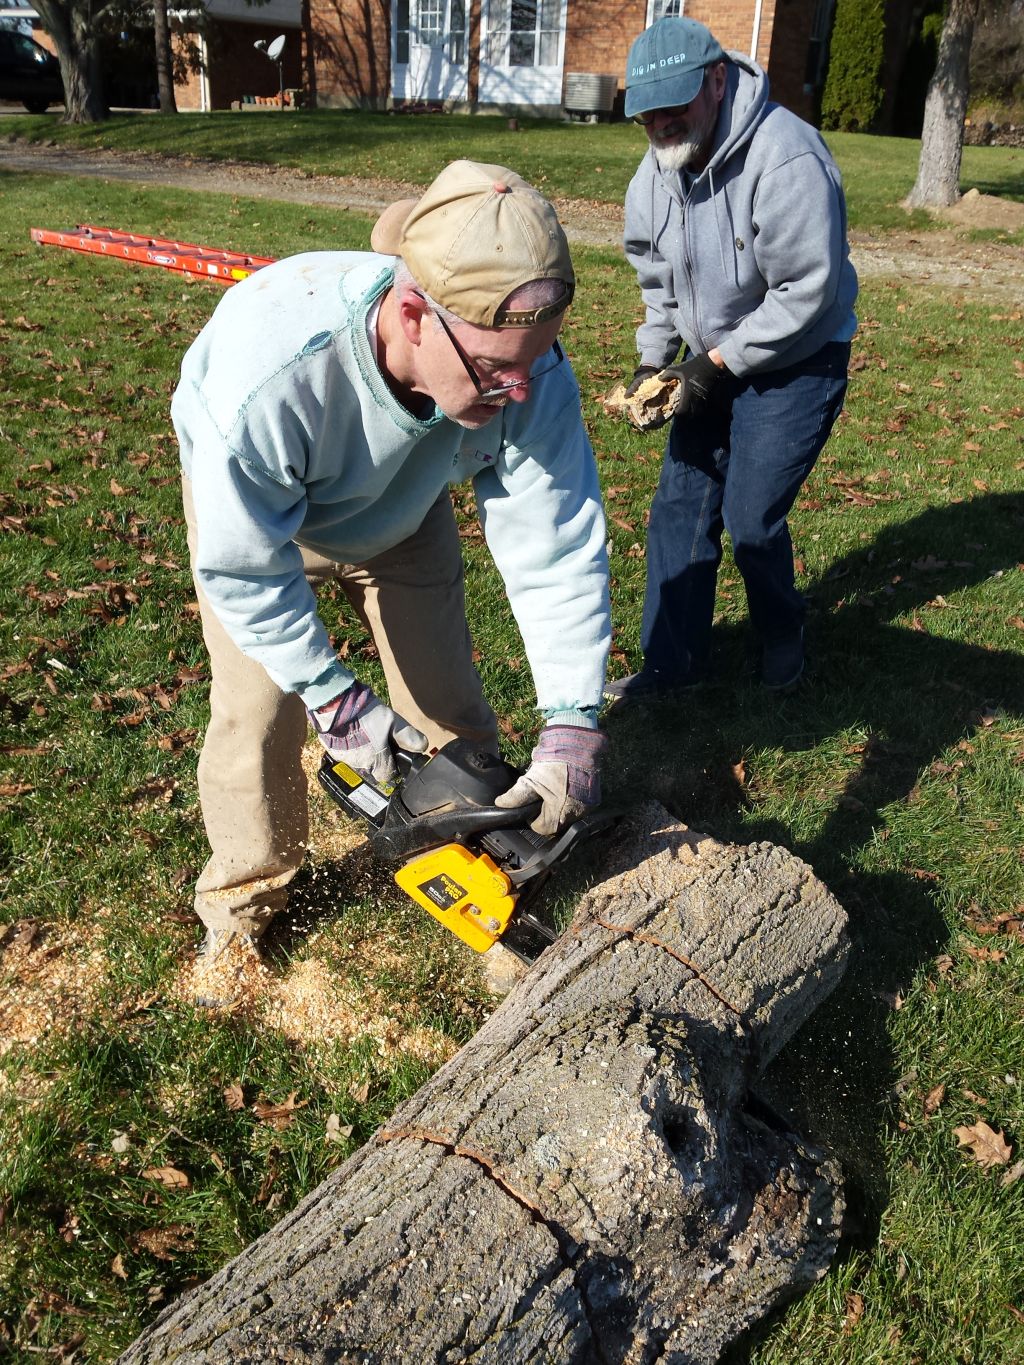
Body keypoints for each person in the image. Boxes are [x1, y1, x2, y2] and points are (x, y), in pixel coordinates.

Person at [172, 159, 611, 986]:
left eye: (532, 363)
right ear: (413, 313)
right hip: (267, 529)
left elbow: (554, 538)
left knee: (445, 700)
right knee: (259, 715)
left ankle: (491, 893)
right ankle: (240, 915)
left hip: (403, 515)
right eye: (491, 370)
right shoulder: (268, 379)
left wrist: (572, 720)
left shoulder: (525, 372)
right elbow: (243, 568)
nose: (518, 390)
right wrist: (334, 700)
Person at [604, 17, 858, 703]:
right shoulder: (654, 175)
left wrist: (715, 362)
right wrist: (653, 364)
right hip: (708, 358)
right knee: (680, 507)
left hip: (799, 360)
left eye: (674, 104)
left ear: (717, 82)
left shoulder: (787, 158)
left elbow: (808, 290)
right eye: (646, 112)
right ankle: (672, 664)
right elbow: (658, 281)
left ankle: (781, 631)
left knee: (750, 518)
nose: (659, 122)